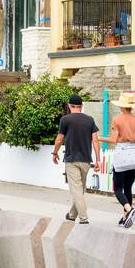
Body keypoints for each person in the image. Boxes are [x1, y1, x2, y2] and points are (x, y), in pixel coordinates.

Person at [52, 94, 100, 225]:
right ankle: (72, 215)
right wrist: (98, 160)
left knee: (77, 190)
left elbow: (59, 139)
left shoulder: (65, 119)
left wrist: (55, 153)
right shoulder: (90, 120)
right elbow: (95, 140)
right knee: (80, 190)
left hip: (72, 160)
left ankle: (83, 218)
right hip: (86, 160)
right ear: (81, 106)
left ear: (69, 106)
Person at [105, 91, 135, 228]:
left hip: (122, 153)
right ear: (132, 106)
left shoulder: (117, 119)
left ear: (121, 106)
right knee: (128, 187)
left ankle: (130, 210)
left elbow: (113, 140)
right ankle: (125, 218)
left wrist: (97, 138)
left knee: (117, 188)